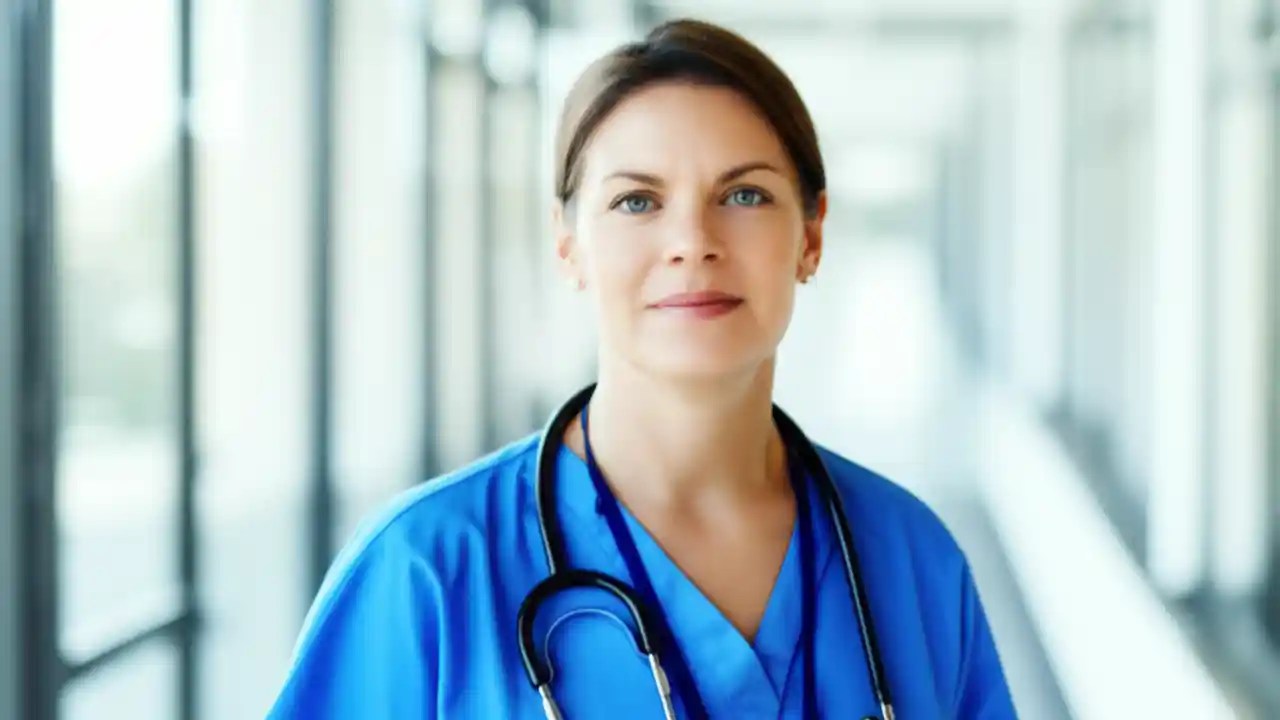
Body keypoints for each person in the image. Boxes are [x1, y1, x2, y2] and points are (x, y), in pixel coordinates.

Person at [268, 18, 1017, 719]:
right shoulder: (424, 569)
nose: (692, 240)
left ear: (812, 235)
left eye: (745, 194)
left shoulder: (911, 560)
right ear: (569, 246)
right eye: (636, 201)